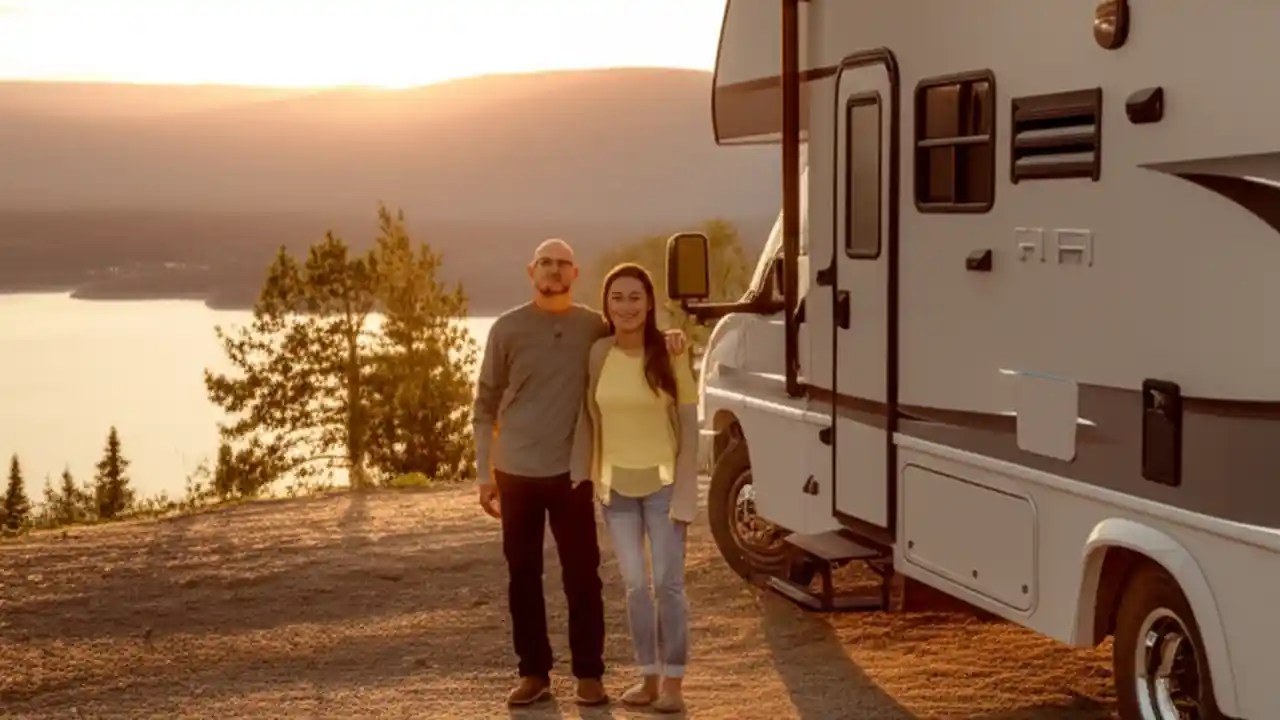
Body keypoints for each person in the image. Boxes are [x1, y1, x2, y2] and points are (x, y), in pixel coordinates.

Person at [472, 239, 686, 708]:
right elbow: (484, 403)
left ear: (575, 272)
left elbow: (635, 328)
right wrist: (484, 473)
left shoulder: (592, 326)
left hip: (572, 472)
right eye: (545, 262)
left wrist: (670, 338)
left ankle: (589, 674)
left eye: (562, 264)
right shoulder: (507, 328)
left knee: (583, 576)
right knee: (523, 574)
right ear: (532, 271)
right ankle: (534, 673)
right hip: (515, 471)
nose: (553, 270)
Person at [570, 263, 699, 714]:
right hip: (616, 490)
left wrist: (686, 494)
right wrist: (580, 474)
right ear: (606, 304)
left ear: (649, 304)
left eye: (635, 297)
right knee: (634, 587)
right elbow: (590, 416)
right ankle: (647, 678)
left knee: (668, 585)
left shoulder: (670, 351)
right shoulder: (598, 353)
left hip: (663, 487)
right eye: (617, 297)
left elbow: (688, 424)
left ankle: (674, 686)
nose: (626, 306)